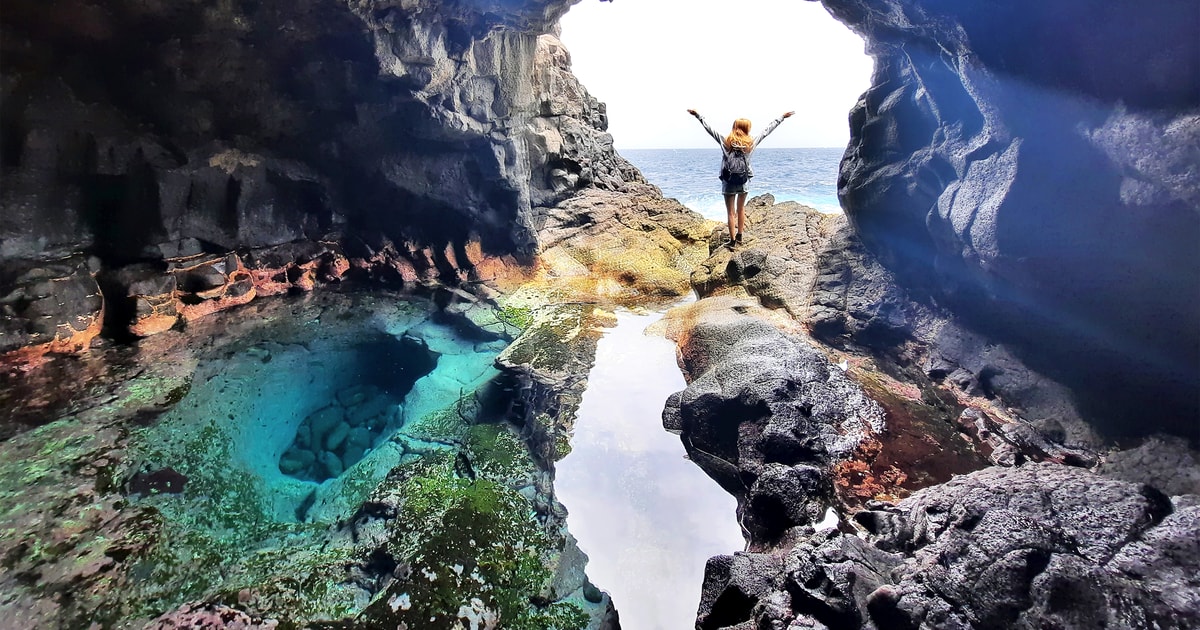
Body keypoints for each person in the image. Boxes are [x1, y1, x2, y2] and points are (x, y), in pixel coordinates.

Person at [687, 109, 794, 247]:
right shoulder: (751, 143)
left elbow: (710, 129)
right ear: (747, 129)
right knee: (741, 209)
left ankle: (732, 242)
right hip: (744, 180)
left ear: (734, 127)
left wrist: (698, 116)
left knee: (730, 213)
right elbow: (767, 131)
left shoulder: (725, 142)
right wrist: (781, 118)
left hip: (728, 181)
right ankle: (740, 237)